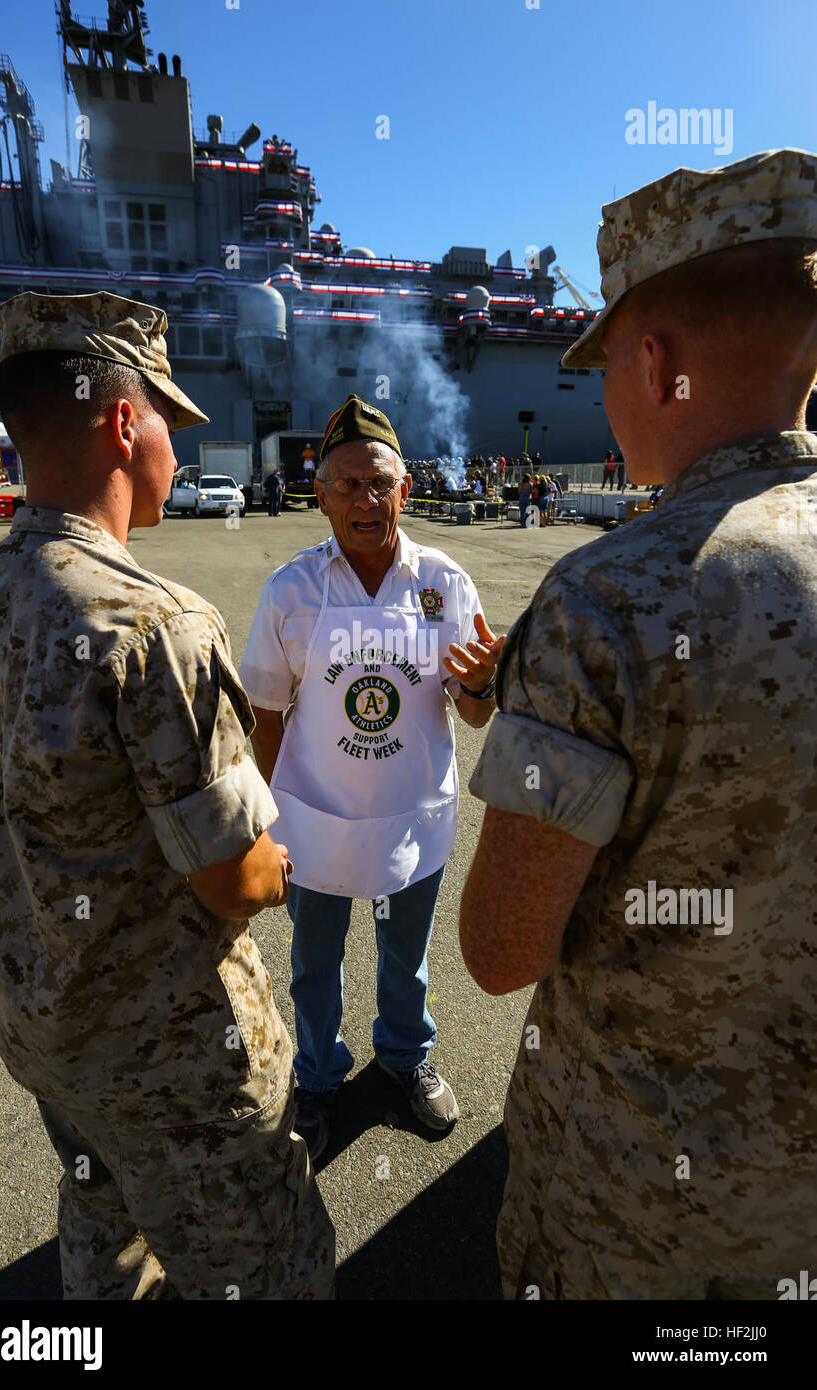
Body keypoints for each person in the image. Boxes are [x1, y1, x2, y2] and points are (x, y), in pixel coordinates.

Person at [460, 147, 817, 1300]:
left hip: (636, 1221)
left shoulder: (606, 596)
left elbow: (500, 950)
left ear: (653, 363)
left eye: (605, 358)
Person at [0, 290, 334, 1300]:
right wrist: (277, 862)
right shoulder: (150, 621)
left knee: (103, 1221)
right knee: (271, 1261)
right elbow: (232, 877)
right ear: (125, 422)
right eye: (169, 415)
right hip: (174, 1060)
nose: (178, 443)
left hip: (38, 1025)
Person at [239, 395, 503, 1161]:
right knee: (314, 965)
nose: (365, 500)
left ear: (406, 491)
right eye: (347, 485)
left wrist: (483, 684)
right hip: (313, 822)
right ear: (318, 493)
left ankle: (403, 1058)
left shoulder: (443, 584)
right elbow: (266, 715)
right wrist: (270, 819)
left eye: (379, 483)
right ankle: (319, 1077)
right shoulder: (292, 590)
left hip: (412, 821)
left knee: (405, 960)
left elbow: (474, 715)